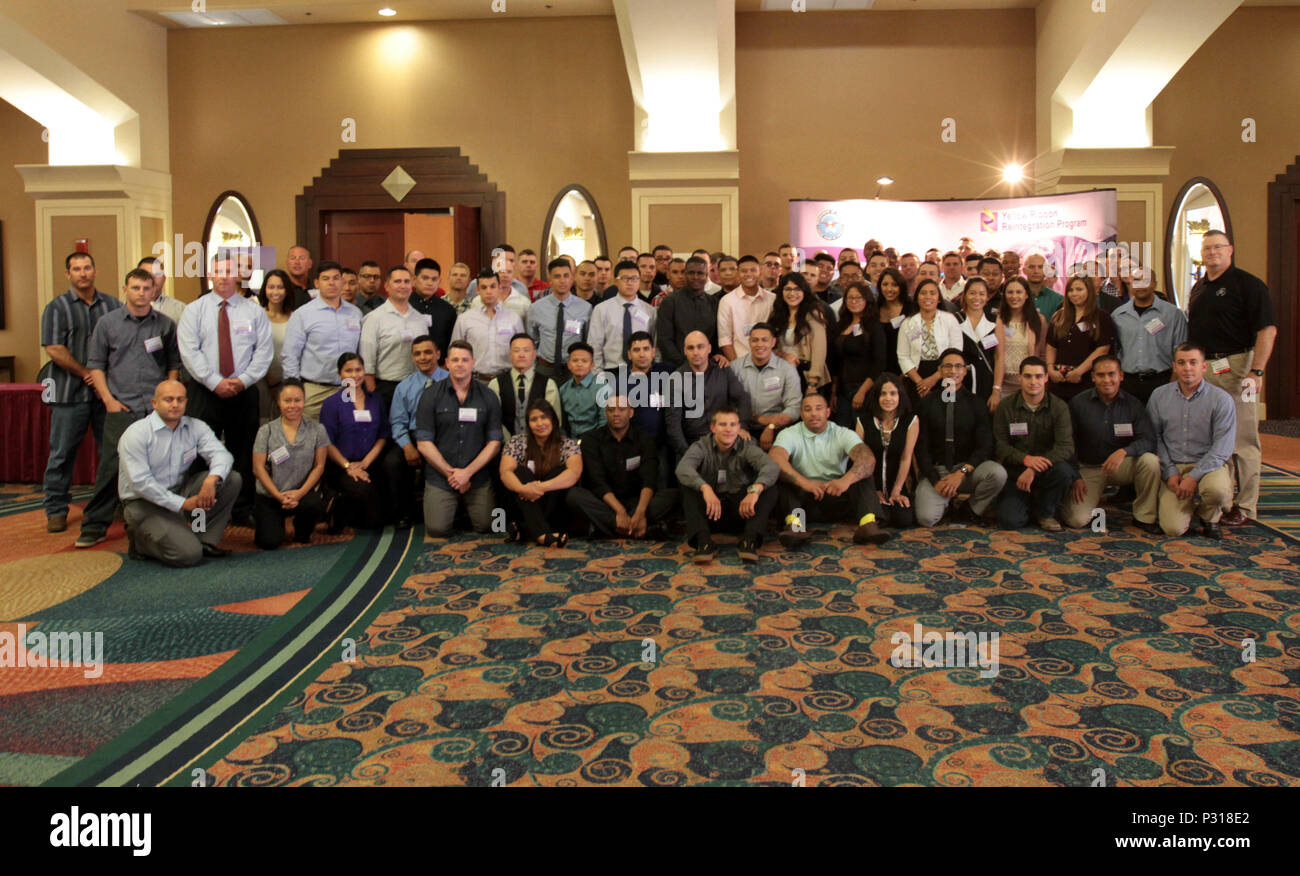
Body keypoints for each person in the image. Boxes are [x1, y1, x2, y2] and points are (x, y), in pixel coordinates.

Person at [75, 268, 182, 548]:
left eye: (147, 288)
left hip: (155, 410)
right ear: (125, 290)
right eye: (135, 288)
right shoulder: (107, 324)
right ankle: (95, 524)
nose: (141, 293)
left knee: (162, 465)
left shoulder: (165, 325)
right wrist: (109, 401)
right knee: (111, 466)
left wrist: (169, 399)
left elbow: (173, 365)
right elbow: (96, 366)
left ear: (154, 290)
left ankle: (163, 520)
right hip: (121, 407)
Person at [1186, 230, 1276, 526]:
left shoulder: (1249, 285)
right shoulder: (1199, 287)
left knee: (1244, 439)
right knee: (1217, 438)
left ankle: (1247, 506)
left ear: (1230, 250)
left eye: (1218, 247)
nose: (1212, 252)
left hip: (1240, 367)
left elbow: (1267, 330)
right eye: (1207, 248)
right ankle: (1223, 502)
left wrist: (1257, 370)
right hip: (1208, 370)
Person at [179, 252, 274, 525]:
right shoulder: (194, 310)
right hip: (204, 391)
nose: (223, 276)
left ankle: (241, 509)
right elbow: (189, 351)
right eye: (217, 271)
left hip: (243, 392)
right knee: (198, 451)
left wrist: (242, 380)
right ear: (210, 275)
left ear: (238, 275)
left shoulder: (253, 311)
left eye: (228, 271)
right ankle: (198, 508)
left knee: (243, 451)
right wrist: (214, 381)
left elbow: (263, 352)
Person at [117, 380, 242, 566]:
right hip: (143, 502)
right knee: (188, 555)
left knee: (231, 479)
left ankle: (203, 539)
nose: (175, 404)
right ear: (154, 403)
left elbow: (222, 455)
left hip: (178, 491)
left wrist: (211, 479)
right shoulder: (137, 434)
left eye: (180, 399)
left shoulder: (195, 427)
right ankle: (140, 542)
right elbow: (141, 484)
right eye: (168, 399)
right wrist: (183, 504)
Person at [40, 252, 122, 532]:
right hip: (68, 394)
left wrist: (103, 378)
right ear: (68, 274)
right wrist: (87, 372)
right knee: (62, 454)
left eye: (87, 267)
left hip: (106, 395)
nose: (83, 273)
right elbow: (54, 349)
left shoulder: (112, 305)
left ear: (95, 270)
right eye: (77, 269)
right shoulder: (57, 308)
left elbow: (121, 343)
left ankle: (109, 505)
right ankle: (56, 508)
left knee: (111, 453)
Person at [769, 392, 892, 549]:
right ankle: (795, 527)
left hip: (837, 494)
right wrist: (805, 483)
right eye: (808, 409)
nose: (814, 413)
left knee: (863, 473)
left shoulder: (842, 433)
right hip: (804, 500)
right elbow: (775, 458)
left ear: (828, 412)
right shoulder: (789, 433)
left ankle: (868, 524)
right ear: (801, 414)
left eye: (819, 408)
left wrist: (844, 481)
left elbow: (867, 459)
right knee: (783, 478)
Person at [1145, 343, 1237, 539]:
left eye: (1193, 362)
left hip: (1208, 466)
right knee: (1173, 529)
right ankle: (1188, 506)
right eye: (1182, 363)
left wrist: (1193, 477)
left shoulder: (1221, 399)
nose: (1187, 368)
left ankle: (1209, 516)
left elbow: (1222, 448)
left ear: (1204, 366)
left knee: (1217, 491)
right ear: (1174, 366)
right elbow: (1155, 438)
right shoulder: (1159, 396)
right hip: (1173, 467)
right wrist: (1169, 472)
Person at [1060, 355, 1161, 532]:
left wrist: (1124, 451)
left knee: (1150, 462)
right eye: (1101, 375)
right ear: (1092, 377)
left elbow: (1148, 440)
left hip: (1121, 465)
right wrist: (1075, 476)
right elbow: (1067, 444)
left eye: (1111, 374)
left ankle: (1144, 517)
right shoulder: (1078, 403)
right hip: (1088, 468)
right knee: (1077, 520)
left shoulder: (1133, 405)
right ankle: (1089, 502)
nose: (1107, 380)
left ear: (1121, 375)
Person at [414, 340, 503, 536]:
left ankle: (463, 508)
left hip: (477, 475)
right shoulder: (430, 395)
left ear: (473, 362)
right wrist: (451, 474)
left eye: (465, 360)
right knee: (437, 529)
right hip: (442, 475)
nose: (460, 364)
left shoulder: (488, 396)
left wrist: (467, 473)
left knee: (489, 526)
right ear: (446, 363)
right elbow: (423, 443)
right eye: (455, 360)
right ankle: (456, 507)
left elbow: (495, 443)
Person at [913, 349, 1007, 527]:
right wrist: (935, 480)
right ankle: (945, 503)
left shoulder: (977, 403)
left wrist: (961, 473)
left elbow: (985, 446)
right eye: (947, 366)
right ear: (940, 370)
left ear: (965, 371)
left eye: (958, 366)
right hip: (938, 471)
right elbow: (920, 448)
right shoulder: (926, 403)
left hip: (967, 471)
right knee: (926, 519)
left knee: (997, 473)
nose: (953, 371)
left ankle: (969, 509)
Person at [675, 405, 780, 563]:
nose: (728, 429)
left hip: (740, 511)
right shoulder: (701, 446)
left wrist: (754, 491)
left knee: (770, 488)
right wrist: (705, 488)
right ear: (713, 428)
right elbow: (683, 468)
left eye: (732, 425)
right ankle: (704, 543)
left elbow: (771, 466)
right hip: (711, 512)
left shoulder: (747, 446)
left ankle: (748, 541)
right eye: (723, 424)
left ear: (738, 428)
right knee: (687, 486)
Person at [566, 394, 679, 538]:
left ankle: (609, 528)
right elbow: (597, 482)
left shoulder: (645, 439)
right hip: (606, 502)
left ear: (631, 413)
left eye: (621, 409)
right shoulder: (591, 439)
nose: (616, 414)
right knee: (574, 496)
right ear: (605, 413)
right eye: (611, 410)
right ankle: (638, 528)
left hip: (637, 501)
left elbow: (649, 479)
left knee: (675, 495)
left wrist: (639, 512)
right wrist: (620, 511)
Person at [992, 357, 1075, 531]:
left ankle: (1046, 512)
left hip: (1048, 470)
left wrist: (1034, 467)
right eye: (1028, 376)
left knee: (1065, 472)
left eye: (1038, 376)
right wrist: (1025, 460)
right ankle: (1028, 503)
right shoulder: (1005, 407)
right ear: (1019, 378)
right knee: (1010, 522)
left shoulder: (1059, 407)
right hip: (1016, 472)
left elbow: (1065, 447)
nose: (1033, 382)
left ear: (1046, 378)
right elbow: (999, 445)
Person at [250, 379, 330, 549]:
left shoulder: (318, 430)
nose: (292, 405)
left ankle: (302, 529)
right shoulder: (266, 430)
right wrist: (279, 496)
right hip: (271, 495)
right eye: (287, 401)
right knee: (268, 542)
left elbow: (320, 466)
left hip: (301, 493)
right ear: (278, 402)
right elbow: (257, 468)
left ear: (304, 401)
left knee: (314, 505)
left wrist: (300, 493)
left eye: (297, 400)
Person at [281, 261, 362, 420]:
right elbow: (290, 355)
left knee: (347, 437)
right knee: (312, 438)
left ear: (342, 281)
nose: (332, 282)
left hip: (348, 388)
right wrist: (296, 389)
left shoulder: (355, 313)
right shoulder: (302, 314)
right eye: (326, 279)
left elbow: (360, 351)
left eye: (336, 278)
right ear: (317, 283)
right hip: (315, 389)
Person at [320, 353, 392, 531]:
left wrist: (365, 463)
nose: (354, 375)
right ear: (340, 374)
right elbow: (326, 443)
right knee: (365, 499)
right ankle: (336, 506)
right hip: (341, 466)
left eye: (358, 370)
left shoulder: (376, 400)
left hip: (370, 463)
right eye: (348, 371)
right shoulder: (331, 404)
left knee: (381, 519)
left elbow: (383, 435)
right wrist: (348, 466)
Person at [499, 400, 582, 546]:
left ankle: (525, 530)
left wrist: (540, 488)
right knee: (520, 472)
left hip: (554, 505)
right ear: (528, 424)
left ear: (553, 420)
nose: (539, 423)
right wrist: (523, 489)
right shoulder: (517, 442)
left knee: (560, 472)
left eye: (544, 417)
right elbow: (505, 472)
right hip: (522, 501)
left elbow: (574, 473)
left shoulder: (568, 444)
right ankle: (542, 535)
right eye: (534, 419)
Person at [386, 336, 449, 527]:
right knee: (392, 462)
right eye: (417, 354)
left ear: (438, 354)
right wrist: (407, 447)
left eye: (428, 352)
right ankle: (404, 513)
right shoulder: (404, 387)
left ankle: (452, 509)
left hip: (443, 436)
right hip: (414, 435)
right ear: (413, 358)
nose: (423, 357)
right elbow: (397, 422)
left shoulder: (452, 381)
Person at [666, 330, 753, 459]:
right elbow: (673, 424)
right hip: (693, 444)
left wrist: (742, 426)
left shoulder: (723, 370)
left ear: (709, 348)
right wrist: (688, 454)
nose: (696, 352)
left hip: (726, 437)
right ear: (685, 351)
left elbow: (742, 399)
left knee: (752, 452)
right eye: (691, 348)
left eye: (700, 347)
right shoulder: (675, 379)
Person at [1111, 266, 1187, 404]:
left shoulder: (1173, 314)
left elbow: (1181, 352)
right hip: (1128, 383)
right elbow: (1115, 351)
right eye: (1136, 281)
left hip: (1162, 380)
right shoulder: (1118, 315)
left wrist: (1173, 384)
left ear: (1154, 284)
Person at [359, 265, 428, 409]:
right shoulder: (374, 318)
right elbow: (367, 362)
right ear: (387, 286)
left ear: (412, 285)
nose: (402, 286)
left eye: (406, 281)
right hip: (385, 388)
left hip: (415, 386)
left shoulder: (419, 319)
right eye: (397, 282)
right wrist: (373, 395)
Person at [859, 375, 919, 529]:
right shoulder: (863, 421)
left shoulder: (910, 421)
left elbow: (906, 458)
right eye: (883, 393)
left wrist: (897, 491)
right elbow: (860, 460)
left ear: (900, 396)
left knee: (903, 520)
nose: (888, 398)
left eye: (893, 393)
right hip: (871, 485)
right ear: (876, 397)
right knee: (880, 517)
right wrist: (872, 490)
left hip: (897, 484)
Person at [731, 323, 801, 452]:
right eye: (755, 340)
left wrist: (771, 426)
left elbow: (794, 408)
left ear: (773, 342)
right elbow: (728, 402)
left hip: (778, 427)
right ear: (749, 342)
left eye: (765, 340)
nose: (759, 344)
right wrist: (741, 425)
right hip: (742, 426)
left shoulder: (787, 369)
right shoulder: (735, 368)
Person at [1046, 274, 1114, 401]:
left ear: (1089, 290)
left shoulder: (1101, 317)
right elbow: (1051, 345)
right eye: (1071, 290)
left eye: (1079, 289)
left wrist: (1079, 371)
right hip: (1058, 381)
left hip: (1086, 381)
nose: (1074, 293)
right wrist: (1050, 369)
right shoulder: (1058, 316)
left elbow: (1102, 349)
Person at [898, 278, 963, 406]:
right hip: (916, 377)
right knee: (920, 414)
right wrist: (920, 382)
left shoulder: (949, 320)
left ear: (939, 298)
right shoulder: (908, 323)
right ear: (917, 297)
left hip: (946, 374)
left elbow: (956, 351)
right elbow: (903, 356)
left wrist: (935, 378)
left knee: (946, 413)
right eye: (923, 293)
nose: (928, 296)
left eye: (932, 293)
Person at [489, 333, 564, 443]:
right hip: (505, 446)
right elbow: (494, 420)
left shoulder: (548, 384)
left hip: (541, 445)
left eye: (526, 350)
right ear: (510, 355)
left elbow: (555, 420)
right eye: (516, 350)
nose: (521, 355)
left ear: (534, 354)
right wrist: (511, 444)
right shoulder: (495, 384)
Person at [451, 270, 525, 380]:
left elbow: (522, 349)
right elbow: (455, 352)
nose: (489, 291)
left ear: (499, 288)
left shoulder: (514, 319)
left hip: (507, 380)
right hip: (476, 380)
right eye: (484, 287)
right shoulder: (465, 319)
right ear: (477, 290)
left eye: (493, 286)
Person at [831, 281, 886, 430]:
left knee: (862, 434)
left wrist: (862, 392)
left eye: (859, 298)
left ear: (867, 300)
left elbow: (879, 362)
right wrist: (834, 392)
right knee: (842, 433)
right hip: (842, 390)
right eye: (850, 298)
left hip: (865, 389)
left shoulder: (874, 326)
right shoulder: (840, 325)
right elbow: (835, 362)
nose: (854, 301)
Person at [528, 257, 592, 380]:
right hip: (545, 368)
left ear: (572, 278)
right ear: (550, 280)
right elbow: (533, 340)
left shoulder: (585, 308)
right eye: (557, 276)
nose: (562, 281)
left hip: (573, 370)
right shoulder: (536, 308)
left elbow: (587, 340)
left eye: (566, 276)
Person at [588, 260, 657, 371]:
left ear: (639, 281)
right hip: (611, 370)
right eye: (625, 279)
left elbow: (654, 344)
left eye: (634, 279)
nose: (630, 283)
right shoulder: (601, 309)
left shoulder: (650, 311)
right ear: (615, 281)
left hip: (642, 370)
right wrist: (598, 374)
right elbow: (595, 345)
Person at [770, 272, 832, 395]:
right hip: (783, 375)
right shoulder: (777, 314)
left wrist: (812, 383)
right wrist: (783, 355)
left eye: (797, 289)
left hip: (807, 376)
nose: (792, 293)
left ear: (804, 291)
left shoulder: (813, 313)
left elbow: (819, 351)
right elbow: (770, 346)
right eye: (787, 289)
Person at [990, 277, 1045, 411]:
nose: (1014, 296)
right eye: (1010, 292)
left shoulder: (1039, 320)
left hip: (1029, 384)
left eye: (1019, 292)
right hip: (1002, 384)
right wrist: (996, 389)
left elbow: (1042, 354)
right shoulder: (997, 319)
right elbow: (997, 355)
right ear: (1004, 295)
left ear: (1026, 295)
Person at [656, 256, 720, 368]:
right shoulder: (670, 302)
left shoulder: (714, 302)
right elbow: (664, 340)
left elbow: (716, 337)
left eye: (700, 273)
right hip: (677, 367)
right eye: (691, 273)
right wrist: (686, 364)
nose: (696, 277)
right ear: (685, 275)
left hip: (708, 367)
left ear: (706, 276)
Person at [717, 257, 777, 362]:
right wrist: (738, 367)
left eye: (753, 270)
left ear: (760, 272)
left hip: (768, 363)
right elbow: (725, 340)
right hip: (740, 362)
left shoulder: (772, 299)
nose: (749, 274)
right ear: (738, 274)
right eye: (744, 271)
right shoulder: (727, 301)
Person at [256, 269, 295, 422]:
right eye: (271, 287)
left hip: (289, 380)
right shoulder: (258, 316)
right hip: (263, 381)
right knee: (264, 422)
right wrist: (270, 380)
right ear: (265, 290)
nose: (275, 291)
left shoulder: (296, 317)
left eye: (280, 287)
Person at [955, 278, 998, 406]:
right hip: (961, 380)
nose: (977, 297)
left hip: (987, 381)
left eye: (981, 294)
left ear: (987, 297)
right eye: (972, 293)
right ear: (965, 294)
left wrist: (996, 390)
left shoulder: (995, 321)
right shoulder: (955, 319)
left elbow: (999, 358)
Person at [557, 342, 609, 440]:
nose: (579, 364)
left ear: (592, 365)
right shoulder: (563, 389)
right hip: (570, 441)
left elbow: (604, 422)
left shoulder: (602, 388)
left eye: (584, 361)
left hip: (595, 440)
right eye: (575, 360)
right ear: (568, 365)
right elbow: (562, 421)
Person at [407, 258, 458, 359]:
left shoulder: (448, 310)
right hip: (408, 369)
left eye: (434, 279)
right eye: (425, 278)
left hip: (440, 370)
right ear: (414, 279)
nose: (430, 283)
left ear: (439, 281)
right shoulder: (404, 306)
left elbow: (452, 343)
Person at [875, 267, 911, 376]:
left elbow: (916, 342)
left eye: (894, 285)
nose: (889, 289)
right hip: (878, 371)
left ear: (901, 286)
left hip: (904, 371)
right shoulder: (874, 308)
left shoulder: (910, 308)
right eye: (885, 284)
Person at [138, 257, 185, 324]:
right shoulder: (126, 310)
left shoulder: (180, 310)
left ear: (164, 278)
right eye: (147, 275)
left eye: (157, 274)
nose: (152, 279)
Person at [1024, 254, 1062, 320]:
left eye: (1041, 267)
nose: (1036, 271)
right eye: (1031, 267)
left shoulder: (1058, 299)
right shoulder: (1016, 296)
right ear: (1024, 270)